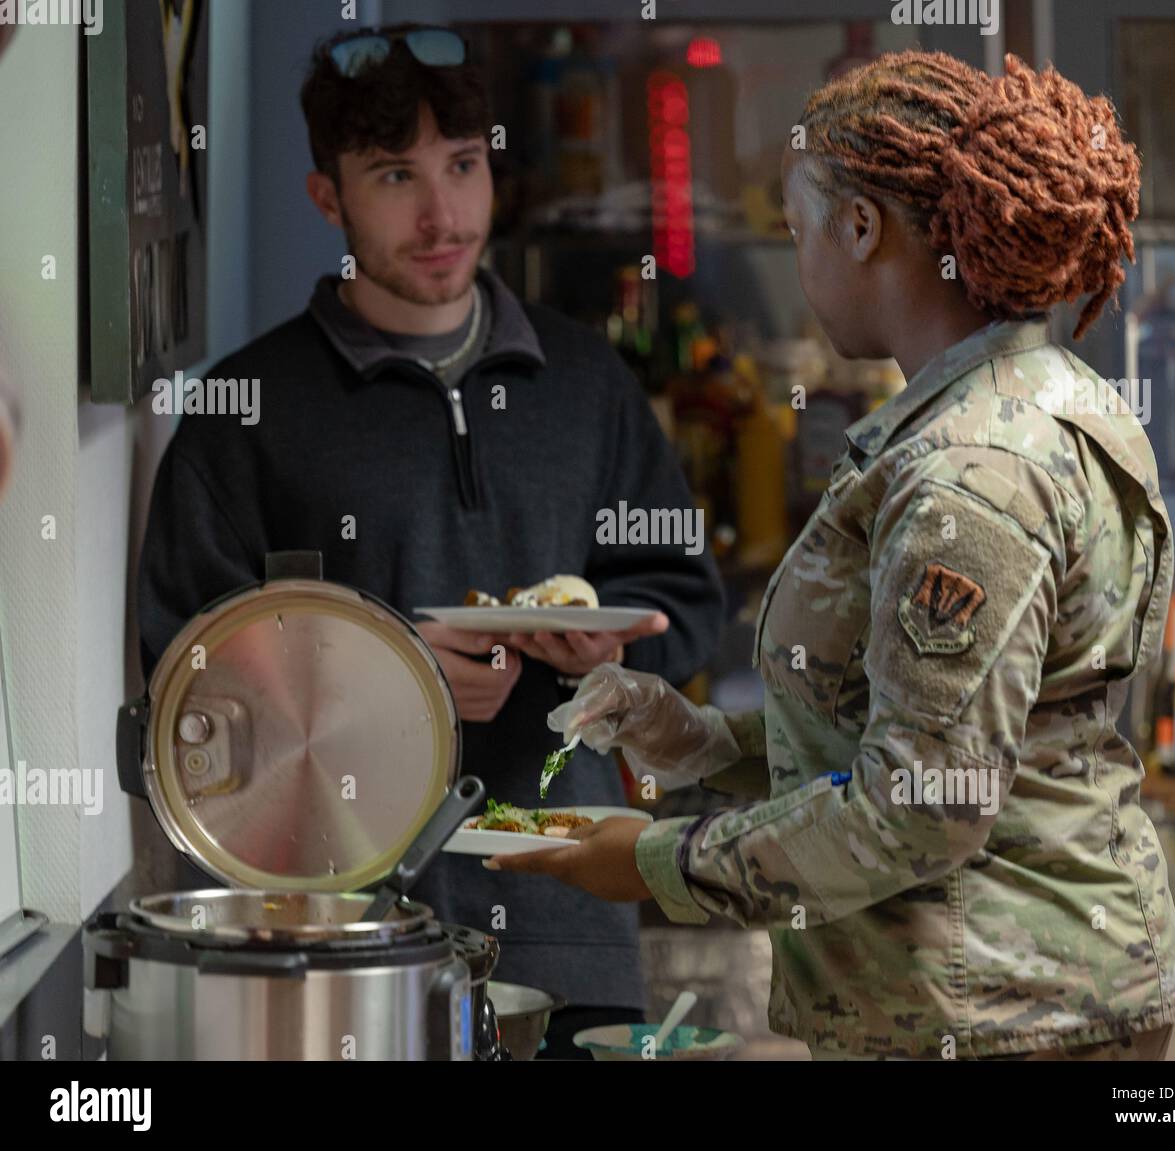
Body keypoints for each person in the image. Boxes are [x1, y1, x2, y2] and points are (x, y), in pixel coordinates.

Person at [493, 51, 1175, 1060]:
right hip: (1005, 1003)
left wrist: (652, 860)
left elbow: (918, 806)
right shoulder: (1034, 397)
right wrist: (699, 740)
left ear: (860, 229)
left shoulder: (968, 474)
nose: (796, 256)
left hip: (1002, 1015)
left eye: (797, 228)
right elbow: (924, 725)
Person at [136, 24, 723, 1059]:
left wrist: (615, 648)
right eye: (394, 175)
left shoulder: (585, 384)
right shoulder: (244, 410)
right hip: (341, 937)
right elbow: (189, 694)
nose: (442, 213)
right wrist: (388, 680)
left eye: (461, 166)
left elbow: (683, 594)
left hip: (569, 912)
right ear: (330, 199)